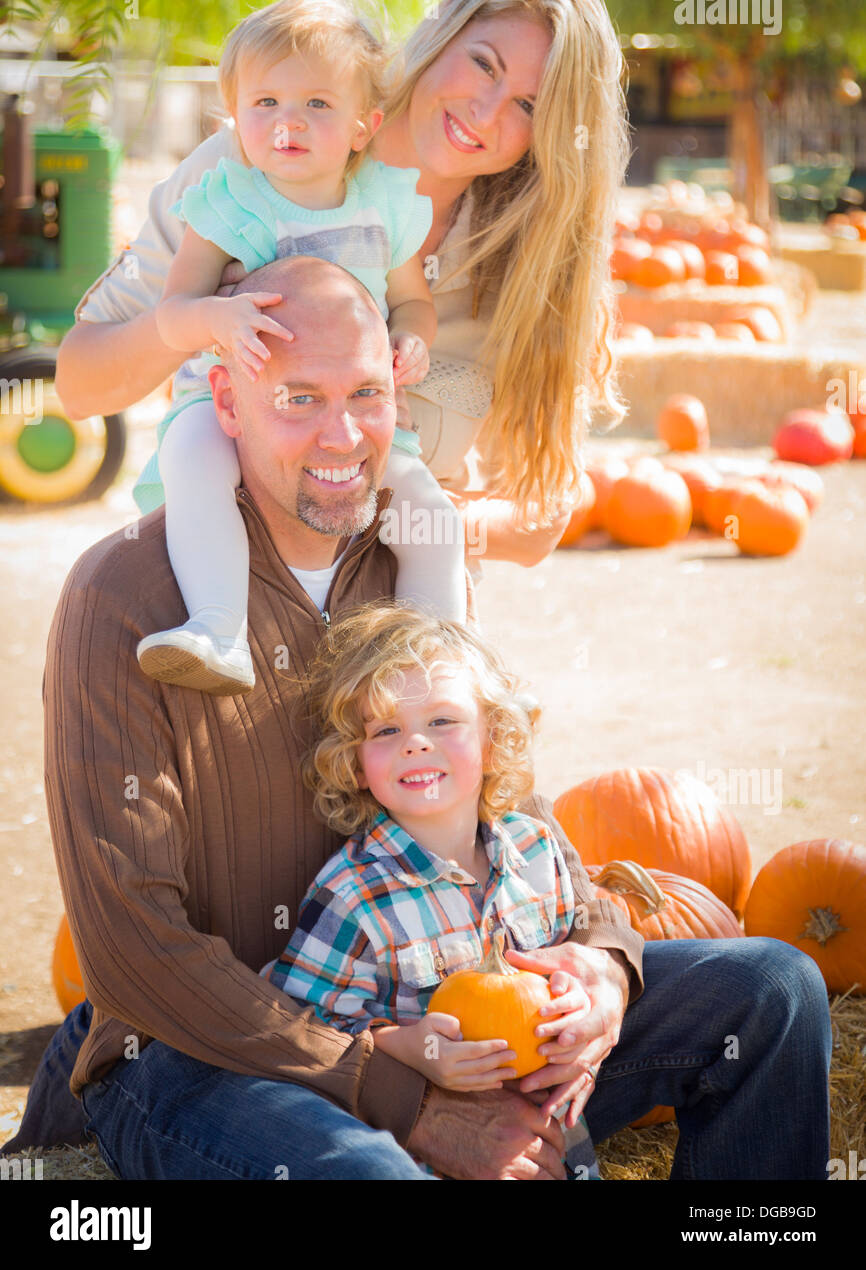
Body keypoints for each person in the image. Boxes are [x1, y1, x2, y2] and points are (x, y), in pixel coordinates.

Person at [5, 256, 647, 1178]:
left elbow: (495, 800)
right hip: (200, 1057)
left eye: (366, 394)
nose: (342, 434)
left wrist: (603, 962)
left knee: (771, 994)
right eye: (298, 397)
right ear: (226, 402)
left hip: (433, 1003)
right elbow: (128, 946)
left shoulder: (418, 564)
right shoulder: (125, 596)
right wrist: (397, 1098)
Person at [56, 0, 633, 575]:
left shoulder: (527, 263)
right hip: (231, 585)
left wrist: (386, 520)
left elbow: (539, 519)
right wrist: (202, 320)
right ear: (442, 36)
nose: (487, 111)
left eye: (526, 103)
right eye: (484, 64)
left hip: (397, 613)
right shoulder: (254, 165)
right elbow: (79, 385)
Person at [134, 0, 466, 697]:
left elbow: (412, 300)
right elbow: (173, 313)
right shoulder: (230, 202)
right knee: (193, 465)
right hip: (231, 401)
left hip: (351, 412)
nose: (289, 121)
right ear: (236, 118)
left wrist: (410, 339)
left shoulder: (381, 203)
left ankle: (443, 661)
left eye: (317, 103)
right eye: (266, 104)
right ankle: (219, 628)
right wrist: (217, 320)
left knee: (427, 513)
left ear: (361, 124)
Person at [263, 601, 600, 1179]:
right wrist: (404, 1044)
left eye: (443, 721)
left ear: (494, 738)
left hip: (559, 1121)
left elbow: (573, 957)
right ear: (355, 761)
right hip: (433, 1145)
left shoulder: (538, 853)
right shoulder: (353, 894)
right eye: (387, 730)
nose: (415, 743)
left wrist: (578, 1009)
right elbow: (302, 1029)